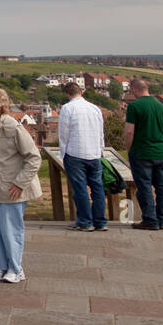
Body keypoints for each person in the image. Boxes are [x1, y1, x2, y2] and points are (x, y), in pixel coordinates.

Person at [0, 87, 43, 283]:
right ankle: (3, 266)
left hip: (12, 189)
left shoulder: (13, 127)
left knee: (11, 230)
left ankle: (16, 269)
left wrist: (20, 184)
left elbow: (34, 158)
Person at [58, 81, 107, 232]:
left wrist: (63, 153)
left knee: (80, 190)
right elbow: (100, 132)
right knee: (98, 189)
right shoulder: (95, 108)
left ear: (67, 94)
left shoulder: (67, 108)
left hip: (75, 153)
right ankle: (100, 222)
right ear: (81, 92)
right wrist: (101, 150)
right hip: (94, 153)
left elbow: (64, 134)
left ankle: (85, 222)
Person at [123, 78, 163, 230]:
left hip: (142, 152)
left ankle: (150, 219)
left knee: (144, 187)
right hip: (162, 153)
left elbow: (129, 131)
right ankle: (162, 220)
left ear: (136, 90)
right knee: (162, 188)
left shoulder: (134, 106)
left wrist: (129, 149)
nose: (131, 94)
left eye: (131, 91)